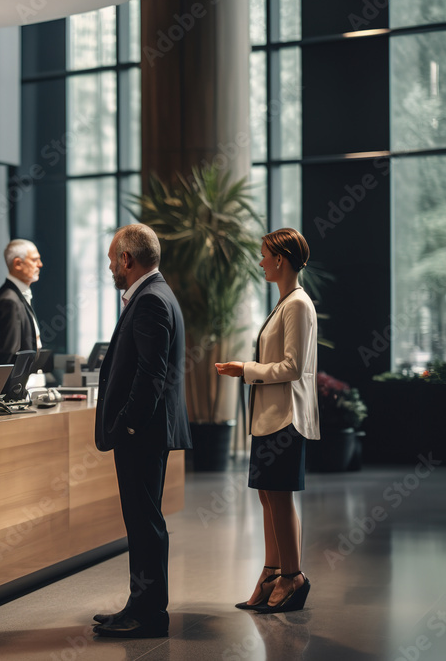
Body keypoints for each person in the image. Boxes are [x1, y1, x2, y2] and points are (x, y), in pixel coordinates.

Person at [92, 224, 192, 639]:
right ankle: (141, 606)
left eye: (113, 258)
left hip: (143, 432)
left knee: (144, 522)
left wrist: (129, 423)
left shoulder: (150, 299)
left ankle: (149, 614)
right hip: (146, 431)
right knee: (142, 520)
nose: (111, 266)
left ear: (127, 260)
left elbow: (152, 373)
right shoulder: (155, 294)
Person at [215, 227, 318, 614]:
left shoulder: (297, 304)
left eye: (264, 255)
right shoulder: (286, 302)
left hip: (285, 418)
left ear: (281, 259)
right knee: (268, 496)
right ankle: (273, 571)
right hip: (270, 417)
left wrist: (246, 369)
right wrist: (246, 370)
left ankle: (292, 576)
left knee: (279, 496)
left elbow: (293, 367)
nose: (260, 261)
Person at [0, 239, 43, 393]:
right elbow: (7, 356)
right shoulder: (8, 301)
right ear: (18, 264)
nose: (40, 264)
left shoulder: (17, 296)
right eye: (34, 260)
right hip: (6, 396)